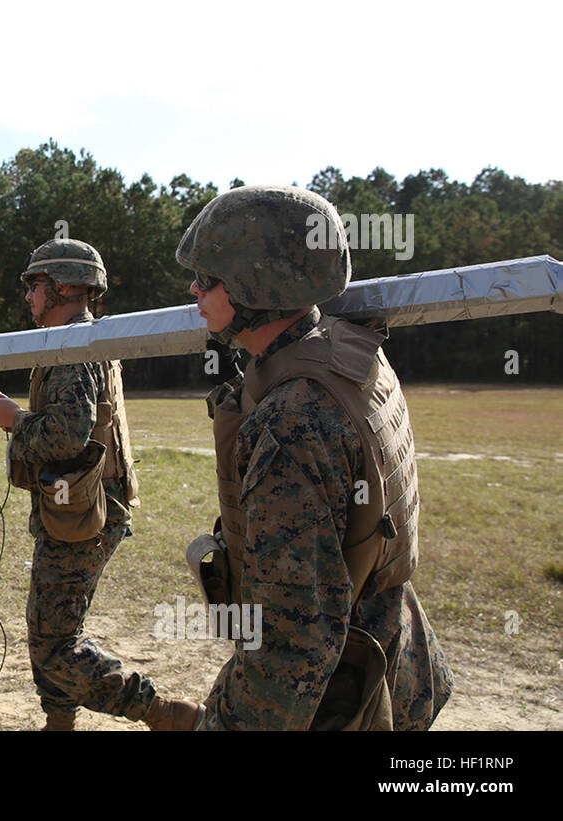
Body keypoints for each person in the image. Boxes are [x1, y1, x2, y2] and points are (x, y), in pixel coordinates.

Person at [176, 185, 453, 730]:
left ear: (256, 283)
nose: (194, 289)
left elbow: (292, 641)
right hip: (390, 648)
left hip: (337, 688)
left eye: (208, 278)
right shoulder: (344, 352)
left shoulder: (292, 421)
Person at [0, 238, 198, 730]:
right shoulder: (80, 340)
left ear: (61, 287)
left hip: (86, 512)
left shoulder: (74, 349)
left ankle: (164, 714)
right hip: (80, 505)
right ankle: (59, 723)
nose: (28, 296)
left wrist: (15, 421)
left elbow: (65, 435)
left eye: (34, 285)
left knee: (53, 642)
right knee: (53, 628)